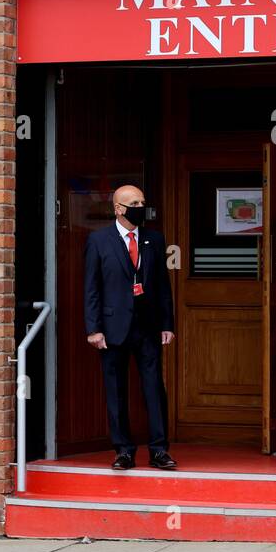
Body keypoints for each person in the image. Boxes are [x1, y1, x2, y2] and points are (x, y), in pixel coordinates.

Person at [83, 184, 177, 470]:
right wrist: (93, 328)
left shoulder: (154, 239)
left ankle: (159, 450)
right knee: (116, 390)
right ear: (118, 209)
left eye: (142, 201)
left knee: (153, 389)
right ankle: (123, 450)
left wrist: (167, 323)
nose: (140, 206)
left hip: (147, 327)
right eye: (134, 202)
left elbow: (162, 285)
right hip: (112, 329)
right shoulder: (99, 240)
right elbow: (92, 288)